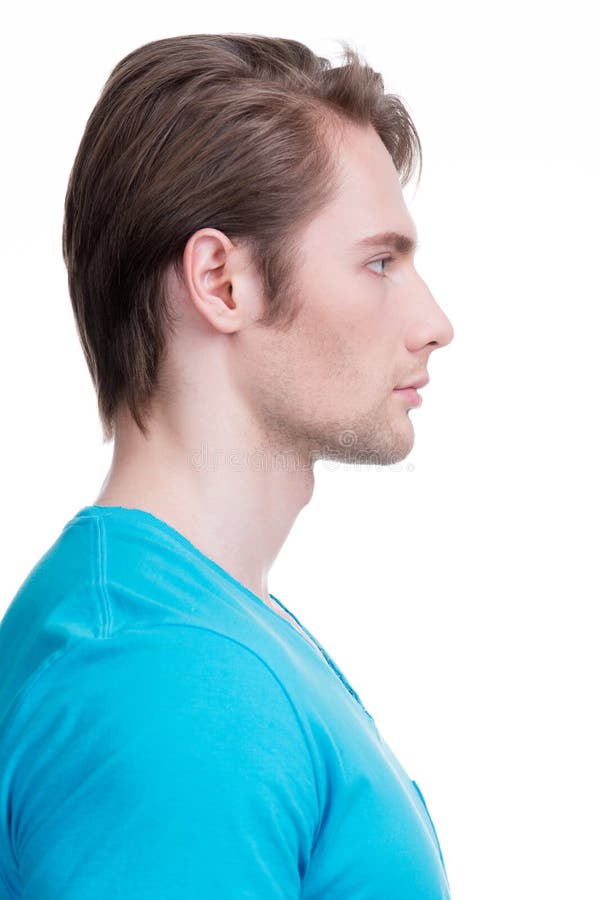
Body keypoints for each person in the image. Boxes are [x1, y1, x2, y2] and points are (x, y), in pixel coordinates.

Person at [0, 33, 454, 898]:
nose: (434, 321)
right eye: (379, 261)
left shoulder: (202, 631)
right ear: (221, 280)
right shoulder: (164, 678)